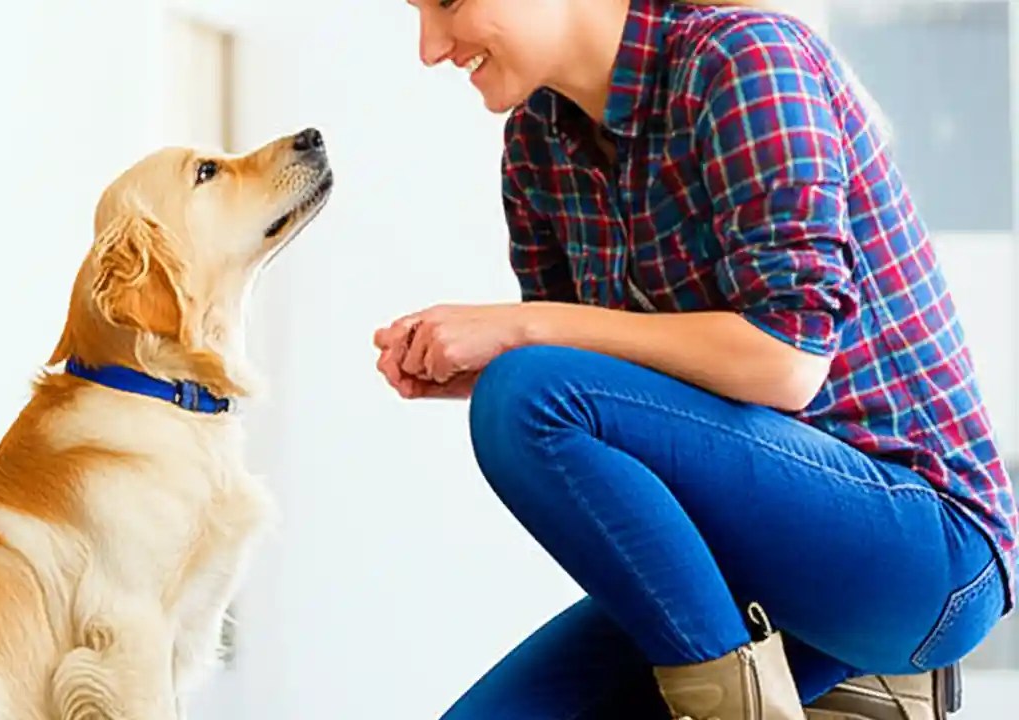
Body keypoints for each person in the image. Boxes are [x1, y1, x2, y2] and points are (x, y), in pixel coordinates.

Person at [374, 1, 1018, 719]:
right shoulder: (536, 146)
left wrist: (524, 336)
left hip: (921, 551)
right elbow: (595, 382)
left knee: (529, 392)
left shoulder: (744, 61)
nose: (430, 47)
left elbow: (786, 360)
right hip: (740, 570)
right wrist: (485, 366)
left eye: (449, 2)